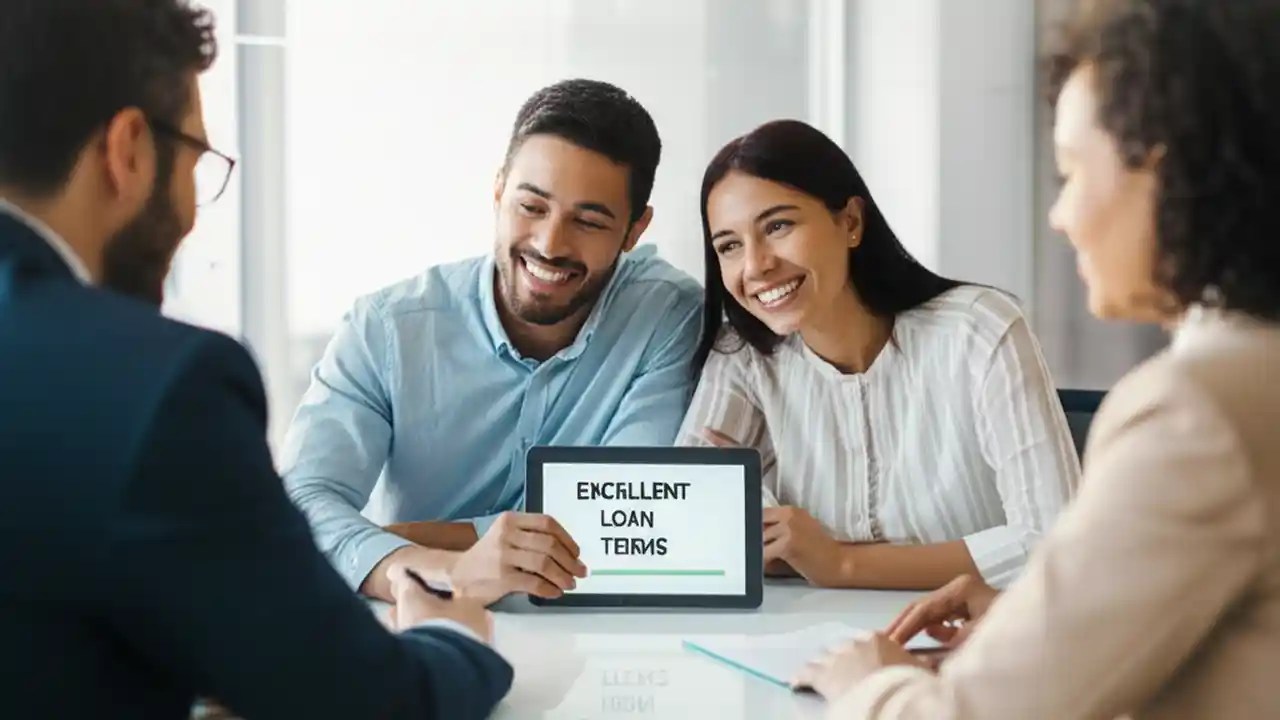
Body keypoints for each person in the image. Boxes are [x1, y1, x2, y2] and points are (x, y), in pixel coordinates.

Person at [0, 1, 511, 717]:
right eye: (196, 160)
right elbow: (367, 700)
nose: (189, 210)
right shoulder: (159, 387)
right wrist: (457, 641)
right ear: (129, 152)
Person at [796, 0, 1280, 717]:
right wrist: (1041, 629)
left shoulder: (1196, 408)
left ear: (1165, 178)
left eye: (1073, 174)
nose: (1062, 215)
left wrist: (870, 681)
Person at [281, 78, 703, 604]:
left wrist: (382, 545)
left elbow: (622, 518)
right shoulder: (386, 328)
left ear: (634, 230)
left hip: (595, 638)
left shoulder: (669, 316)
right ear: (499, 190)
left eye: (589, 221)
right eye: (531, 207)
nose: (550, 245)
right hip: (414, 624)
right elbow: (301, 505)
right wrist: (449, 572)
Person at [680, 119, 1079, 591]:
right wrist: (789, 546)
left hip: (976, 641)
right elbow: (692, 511)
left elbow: (1055, 541)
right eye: (729, 246)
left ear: (850, 221)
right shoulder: (743, 355)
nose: (756, 265)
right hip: (806, 645)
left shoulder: (979, 329)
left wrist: (837, 562)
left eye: (778, 226)